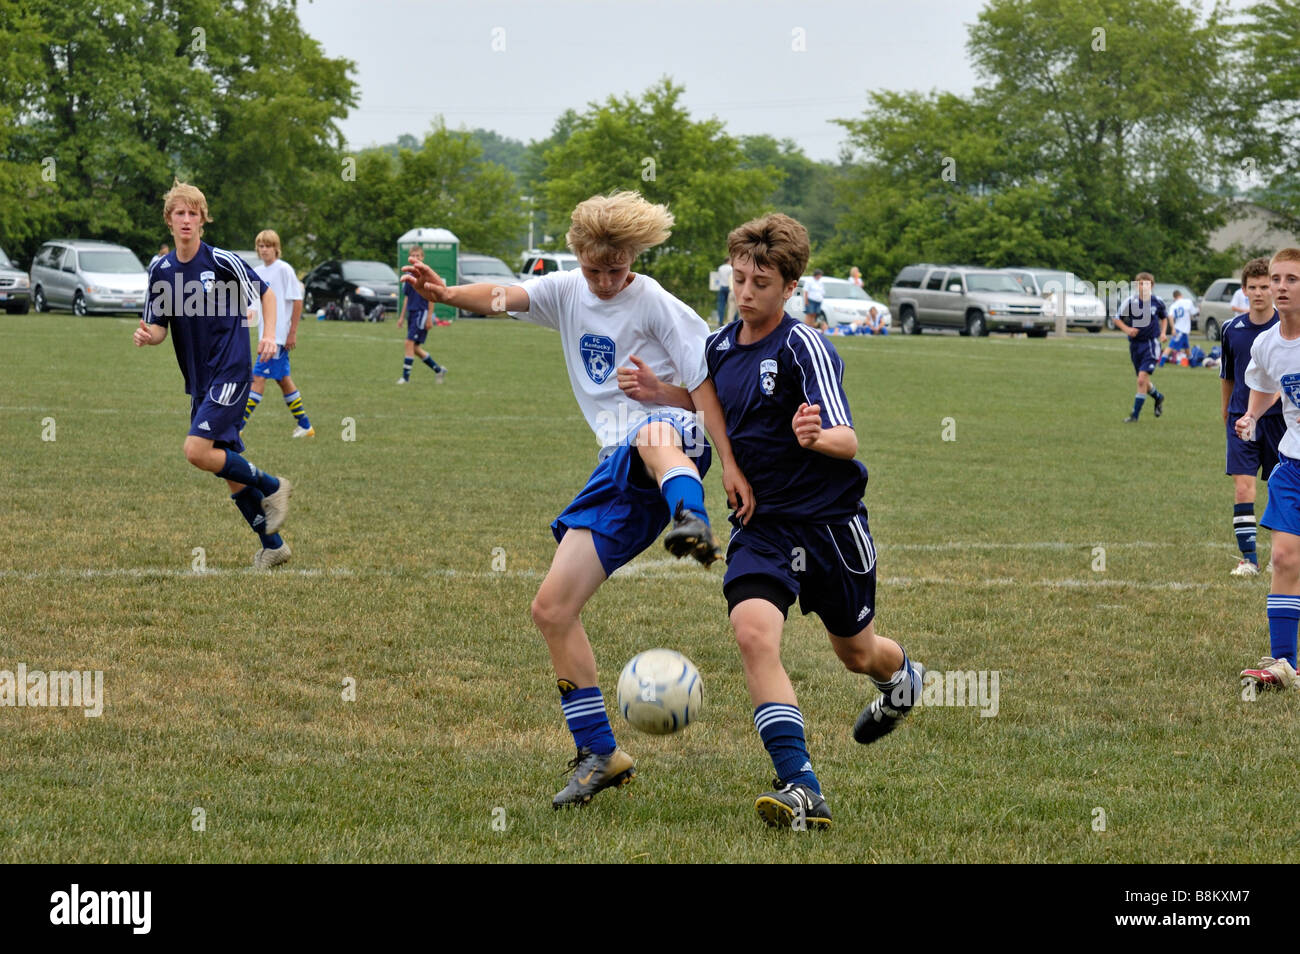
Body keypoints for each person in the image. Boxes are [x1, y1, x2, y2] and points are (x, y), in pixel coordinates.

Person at [402, 191, 752, 809]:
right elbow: (506, 296)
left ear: (634, 258)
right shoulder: (568, 291)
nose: (607, 281)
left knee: (648, 432)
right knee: (551, 609)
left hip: (673, 444)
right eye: (596, 270)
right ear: (578, 256)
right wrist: (448, 294)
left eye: (618, 269)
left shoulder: (659, 306)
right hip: (614, 471)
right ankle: (600, 751)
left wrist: (666, 401)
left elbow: (709, 394)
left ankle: (690, 516)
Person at [645, 213, 924, 829]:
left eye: (761, 283)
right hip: (763, 524)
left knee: (856, 653)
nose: (745, 293)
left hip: (829, 526)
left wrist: (815, 435)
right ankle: (802, 786)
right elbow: (709, 399)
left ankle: (902, 679)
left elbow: (848, 440)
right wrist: (660, 392)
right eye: (739, 278)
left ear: (789, 287)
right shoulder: (719, 346)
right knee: (752, 634)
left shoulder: (804, 346)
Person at [132, 181, 293, 569]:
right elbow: (158, 327)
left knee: (196, 450)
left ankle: (273, 485)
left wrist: (269, 334)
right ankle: (273, 545)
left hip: (231, 371)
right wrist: (146, 336)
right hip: (199, 381)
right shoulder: (161, 270)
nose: (186, 220)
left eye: (193, 213)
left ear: (203, 220)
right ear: (169, 221)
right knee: (226, 465)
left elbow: (266, 293)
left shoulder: (221, 261)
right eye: (179, 213)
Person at [1235, 248, 1300, 689]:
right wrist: (1253, 416)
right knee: (1282, 557)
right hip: (1292, 464)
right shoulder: (1266, 342)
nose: (1280, 286)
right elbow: (1263, 384)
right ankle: (1284, 662)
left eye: (1292, 279)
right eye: (1276, 278)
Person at [1221, 258, 1281, 577]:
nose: (1259, 293)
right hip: (1241, 420)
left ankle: (1279, 557)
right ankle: (1249, 560)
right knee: (1243, 489)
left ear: (1274, 288)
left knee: (1280, 488)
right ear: (1244, 291)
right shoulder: (1231, 329)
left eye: (1264, 286)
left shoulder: (1286, 329)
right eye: (1253, 287)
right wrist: (1226, 411)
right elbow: (1227, 376)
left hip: (1278, 422)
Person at [243, 230, 313, 437]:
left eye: (268, 246)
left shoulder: (284, 270)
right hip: (266, 335)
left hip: (278, 337)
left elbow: (297, 301)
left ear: (276, 248)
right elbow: (254, 305)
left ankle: (236, 428)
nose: (264, 250)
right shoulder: (257, 272)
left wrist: (292, 332)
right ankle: (306, 426)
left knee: (257, 378)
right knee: (283, 379)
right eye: (261, 246)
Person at [1114, 271, 1169, 422]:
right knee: (1142, 380)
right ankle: (1158, 397)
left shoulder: (1157, 301)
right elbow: (1117, 318)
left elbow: (1164, 318)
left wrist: (1163, 333)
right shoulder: (1131, 301)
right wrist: (1127, 329)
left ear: (1151, 286)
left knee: (1141, 380)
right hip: (1135, 345)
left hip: (1151, 344)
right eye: (1140, 284)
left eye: (1146, 284)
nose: (1143, 287)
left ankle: (1134, 416)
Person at [396, 245, 447, 385]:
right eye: (413, 256)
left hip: (421, 312)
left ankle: (405, 379)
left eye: (418, 256)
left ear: (423, 258)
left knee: (408, 343)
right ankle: (438, 369)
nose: (416, 258)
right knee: (415, 348)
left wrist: (430, 317)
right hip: (412, 313)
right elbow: (407, 298)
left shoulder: (426, 275)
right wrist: (401, 317)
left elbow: (432, 297)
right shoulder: (409, 276)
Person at [1160, 290, 1195, 367]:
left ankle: (1193, 364)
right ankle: (1161, 363)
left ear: (1174, 297)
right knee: (1171, 346)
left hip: (1180, 329)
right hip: (1181, 330)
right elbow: (1193, 313)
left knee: (1187, 348)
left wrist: (1173, 328)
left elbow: (1170, 316)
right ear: (1181, 295)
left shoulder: (1173, 305)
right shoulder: (1188, 301)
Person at [716, 260, 733, 327]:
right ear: (729, 261)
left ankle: (720, 321)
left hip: (721, 287)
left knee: (721, 306)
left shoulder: (720, 268)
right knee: (731, 306)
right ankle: (734, 320)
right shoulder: (731, 268)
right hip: (729, 287)